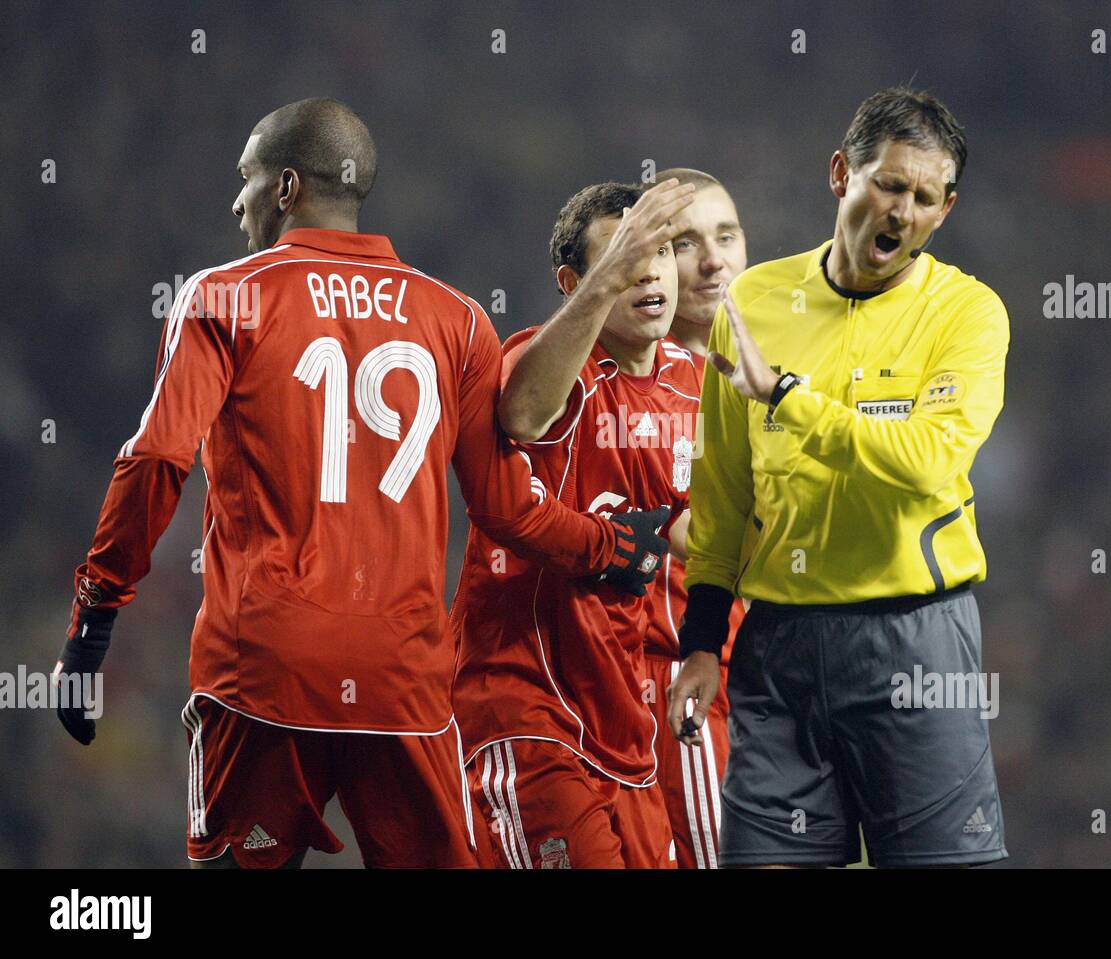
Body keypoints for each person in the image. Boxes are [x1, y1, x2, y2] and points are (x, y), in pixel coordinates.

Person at [51, 98, 666, 869]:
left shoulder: (224, 295)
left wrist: (94, 616)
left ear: (284, 188)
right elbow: (506, 507)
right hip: (402, 676)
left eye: (243, 178)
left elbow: (156, 459)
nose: (232, 199)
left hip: (263, 669)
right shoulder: (457, 317)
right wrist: (608, 545)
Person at [668, 87, 1011, 868]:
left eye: (926, 197)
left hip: (915, 644)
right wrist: (699, 640)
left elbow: (929, 461)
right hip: (778, 650)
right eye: (889, 184)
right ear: (840, 175)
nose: (903, 211)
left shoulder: (968, 313)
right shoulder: (754, 301)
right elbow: (721, 488)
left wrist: (788, 399)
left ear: (945, 211)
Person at [452, 179, 697, 868]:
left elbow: (690, 531)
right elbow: (521, 416)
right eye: (624, 255)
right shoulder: (550, 364)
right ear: (572, 282)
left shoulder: (687, 384)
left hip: (622, 721)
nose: (647, 270)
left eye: (659, 250)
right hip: (526, 705)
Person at [641, 167, 748, 868]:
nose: (713, 259)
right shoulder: (631, 383)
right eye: (685, 242)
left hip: (769, 684)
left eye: (727, 235)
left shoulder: (777, 374)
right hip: (680, 682)